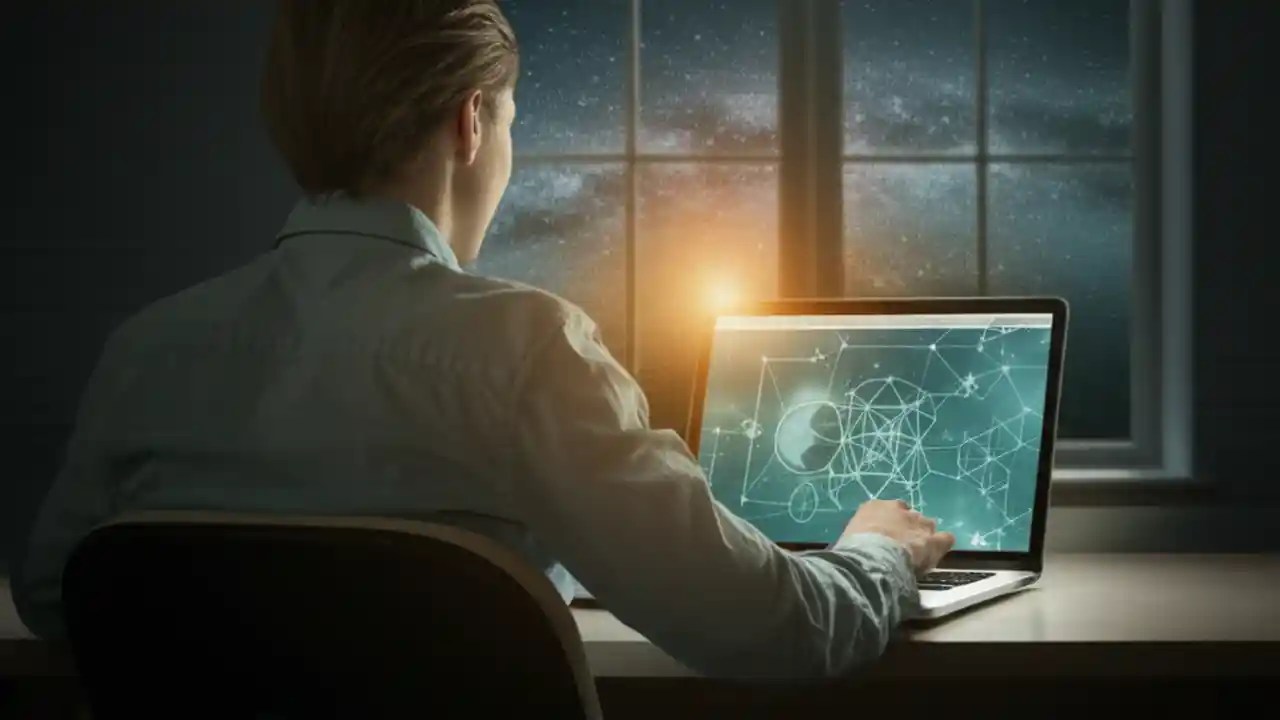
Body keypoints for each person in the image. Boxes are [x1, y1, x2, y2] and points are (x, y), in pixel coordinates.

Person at [16, 0, 954, 679]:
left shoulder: (150, 348)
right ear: (472, 120)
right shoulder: (524, 351)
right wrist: (877, 551)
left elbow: (59, 598)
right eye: (509, 118)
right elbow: (773, 629)